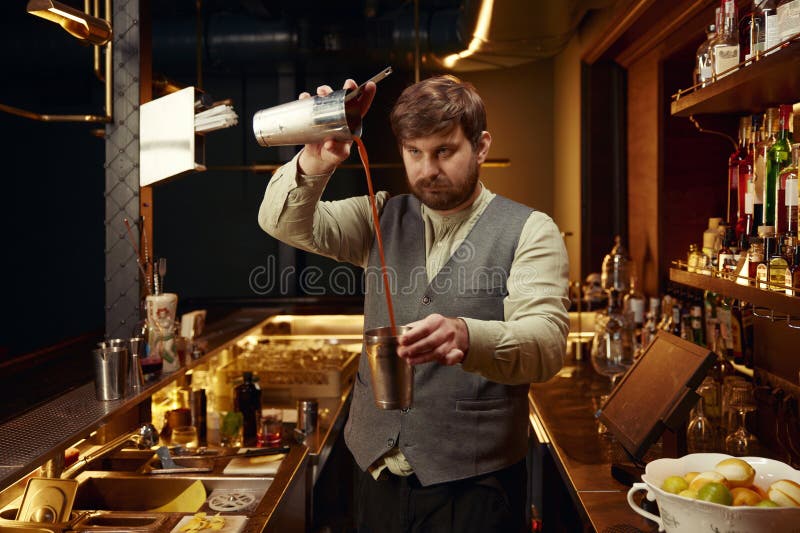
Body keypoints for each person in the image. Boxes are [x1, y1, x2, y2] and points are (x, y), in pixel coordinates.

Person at [258, 74, 569, 533]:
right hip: (374, 478)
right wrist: (315, 160)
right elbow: (282, 223)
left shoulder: (530, 230)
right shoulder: (380, 214)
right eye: (414, 153)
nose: (427, 170)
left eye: (444, 151)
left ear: (480, 147)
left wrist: (468, 334)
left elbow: (546, 344)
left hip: (475, 488)